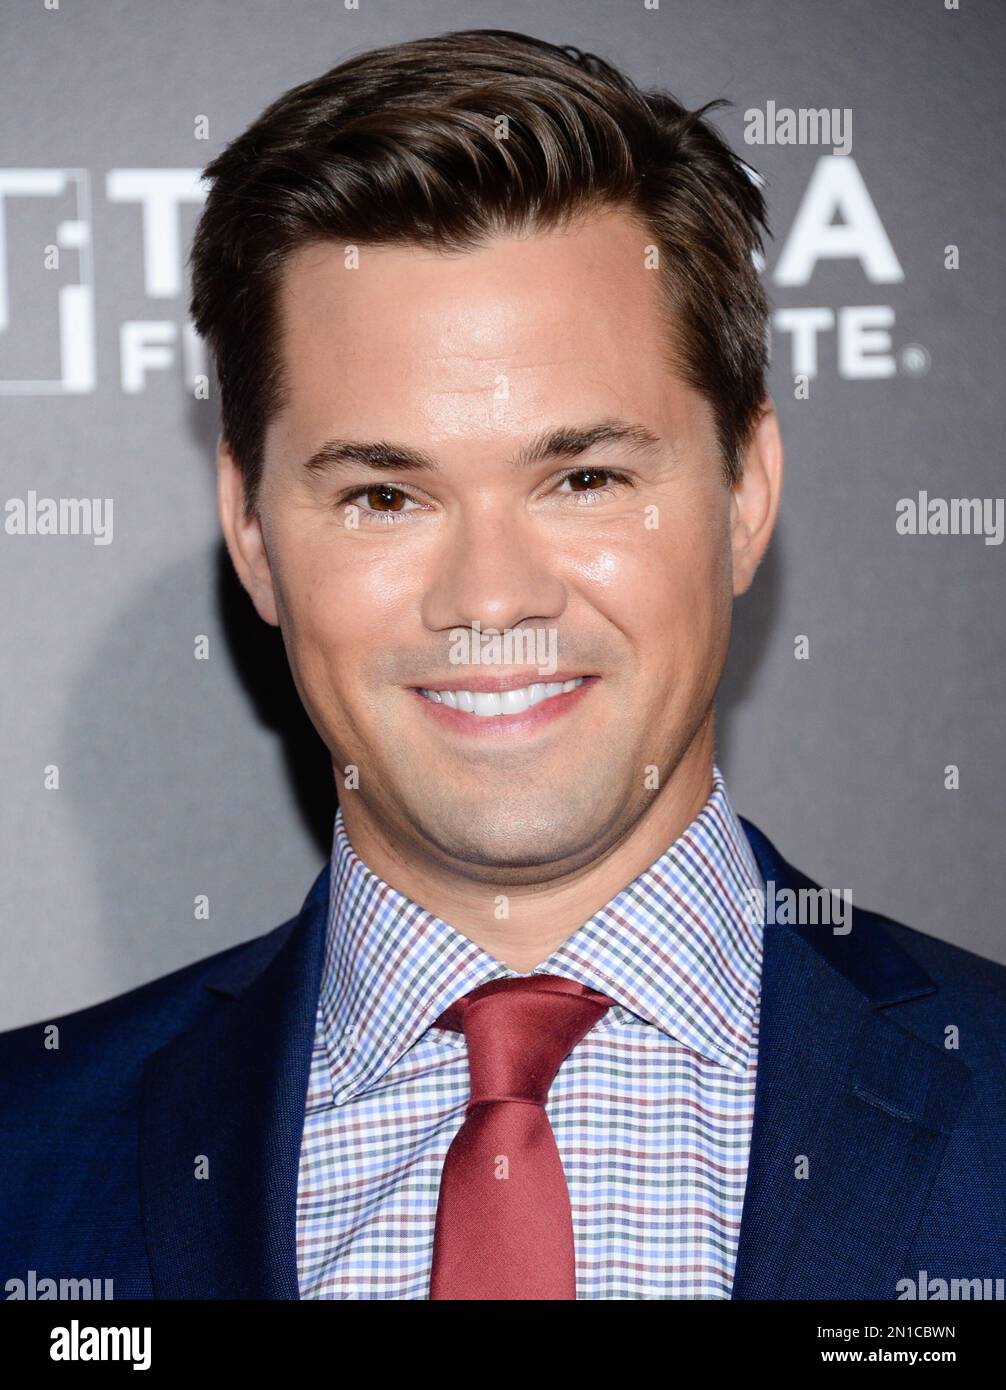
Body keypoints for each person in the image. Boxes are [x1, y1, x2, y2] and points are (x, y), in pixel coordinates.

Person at [2, 28, 1003, 1302]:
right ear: (251, 531)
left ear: (745, 492)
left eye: (582, 478)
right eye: (381, 495)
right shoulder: (23, 1160)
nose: (489, 597)